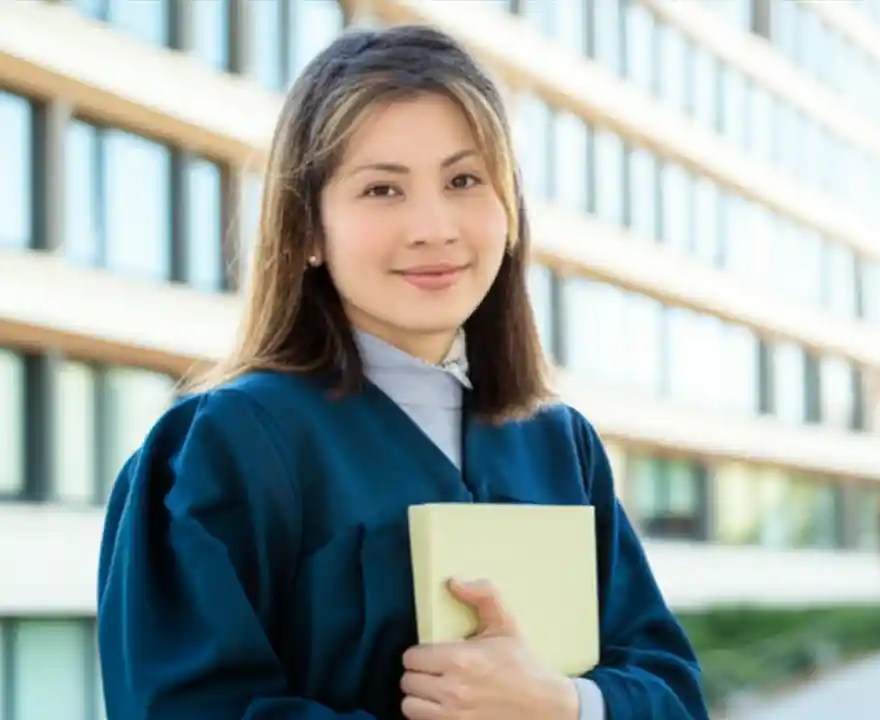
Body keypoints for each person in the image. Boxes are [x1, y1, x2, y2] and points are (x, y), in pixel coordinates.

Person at [96, 24, 707, 720]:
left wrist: (564, 704)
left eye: (465, 180)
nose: (434, 226)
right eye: (383, 190)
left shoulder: (559, 445)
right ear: (308, 232)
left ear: (508, 212)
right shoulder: (226, 445)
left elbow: (672, 693)